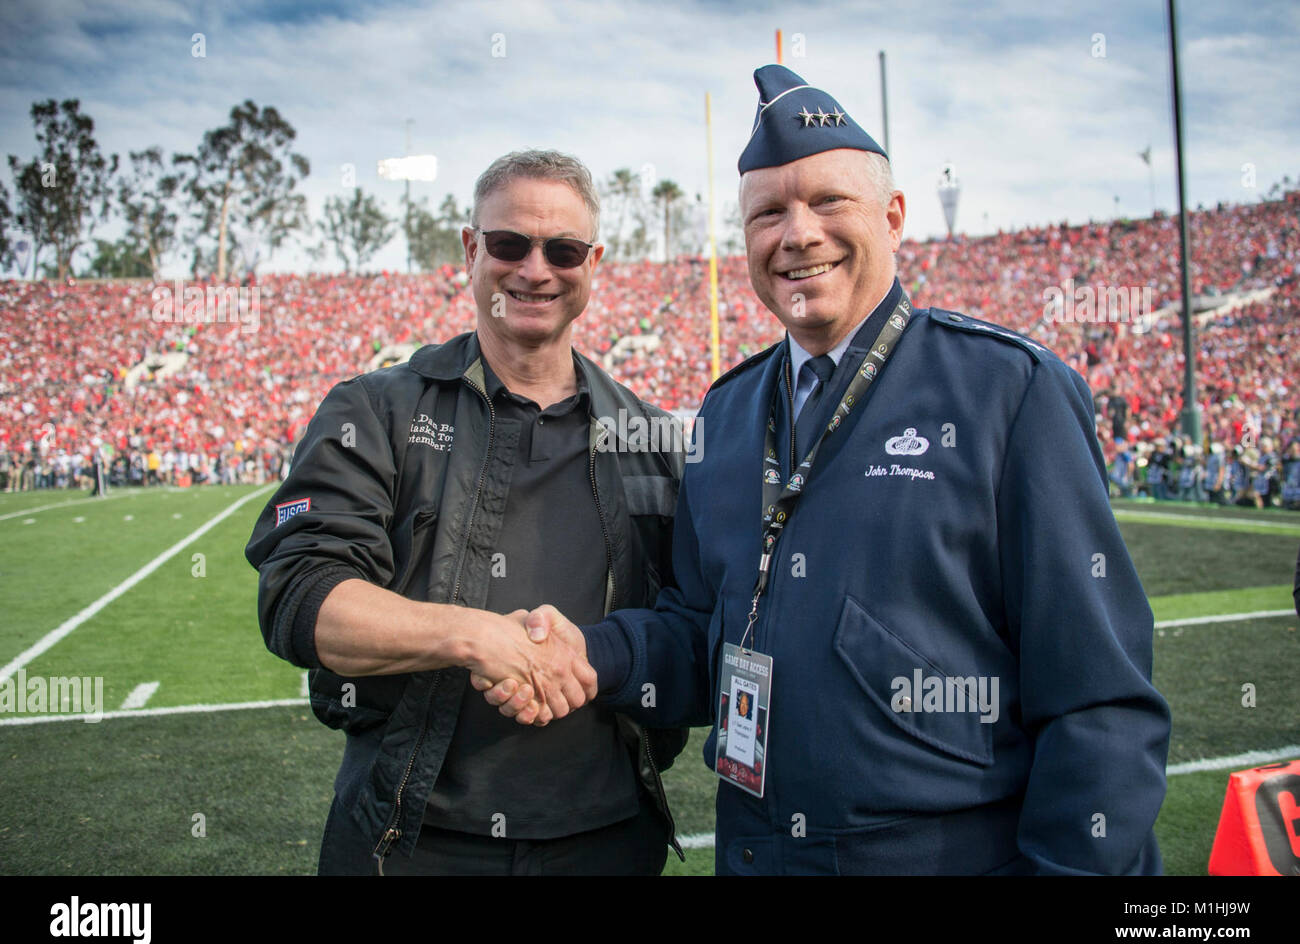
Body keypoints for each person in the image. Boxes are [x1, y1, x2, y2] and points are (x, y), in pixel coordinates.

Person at [483, 66, 1171, 875]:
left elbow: (1100, 702)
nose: (797, 233)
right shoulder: (728, 413)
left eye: (829, 202)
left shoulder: (1007, 390)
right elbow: (698, 629)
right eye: (768, 212)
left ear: (896, 216)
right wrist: (591, 656)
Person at [245, 149, 687, 875]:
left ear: (594, 262)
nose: (535, 270)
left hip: (609, 837)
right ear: (470, 248)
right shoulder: (375, 409)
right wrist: (476, 638)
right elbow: (299, 597)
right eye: (509, 243)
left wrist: (593, 658)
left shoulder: (654, 437)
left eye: (563, 250)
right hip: (412, 836)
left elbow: (692, 630)